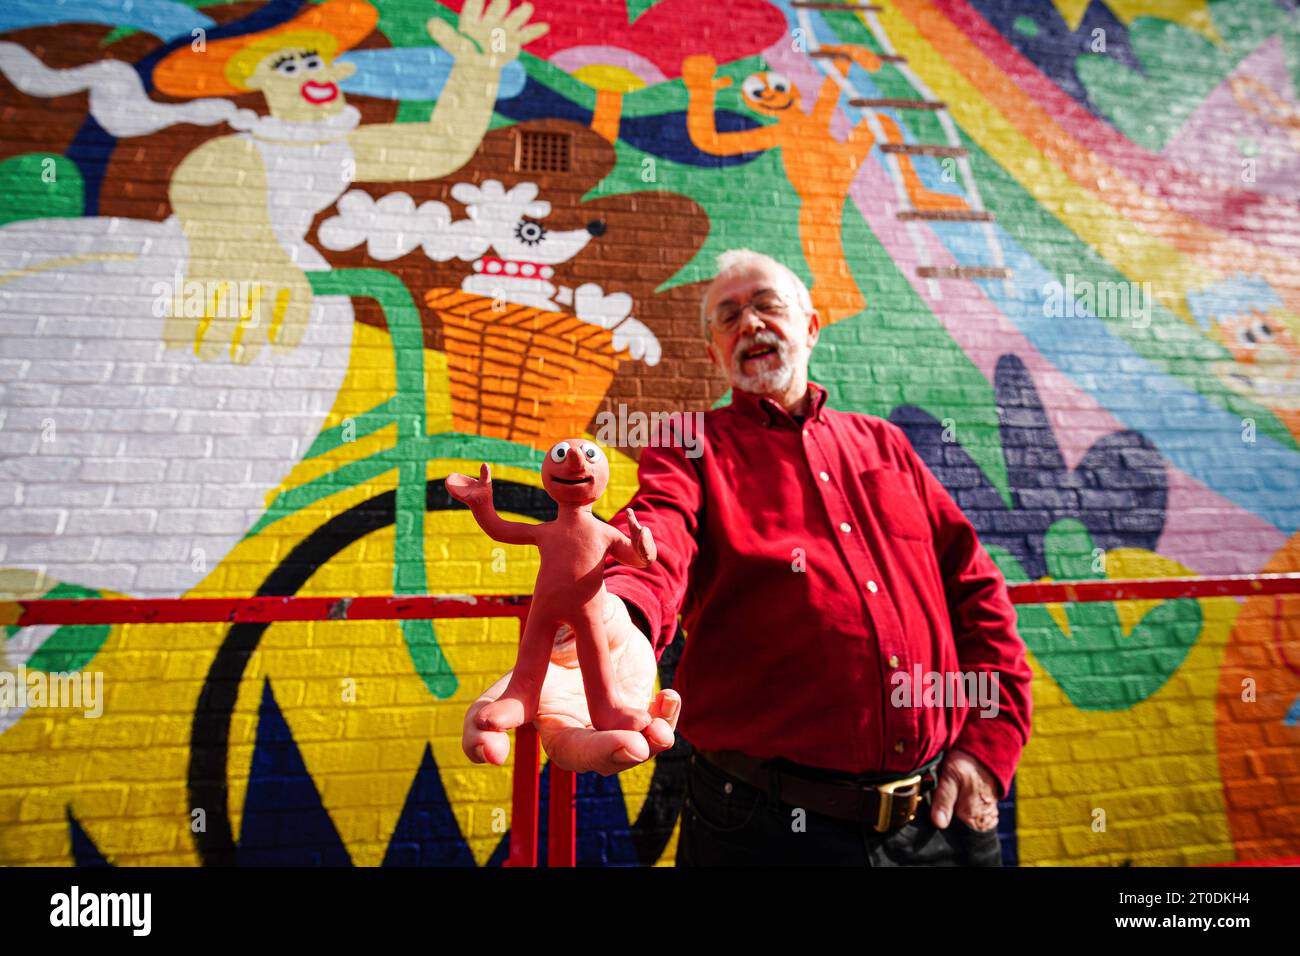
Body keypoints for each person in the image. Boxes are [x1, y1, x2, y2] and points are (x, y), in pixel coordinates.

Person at [462, 248, 1033, 866]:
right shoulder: (690, 449)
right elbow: (661, 531)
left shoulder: (887, 445)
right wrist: (616, 615)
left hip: (939, 824)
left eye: (766, 305)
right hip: (758, 830)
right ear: (715, 353)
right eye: (728, 317)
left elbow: (978, 592)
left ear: (811, 326)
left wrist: (990, 742)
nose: (750, 324)